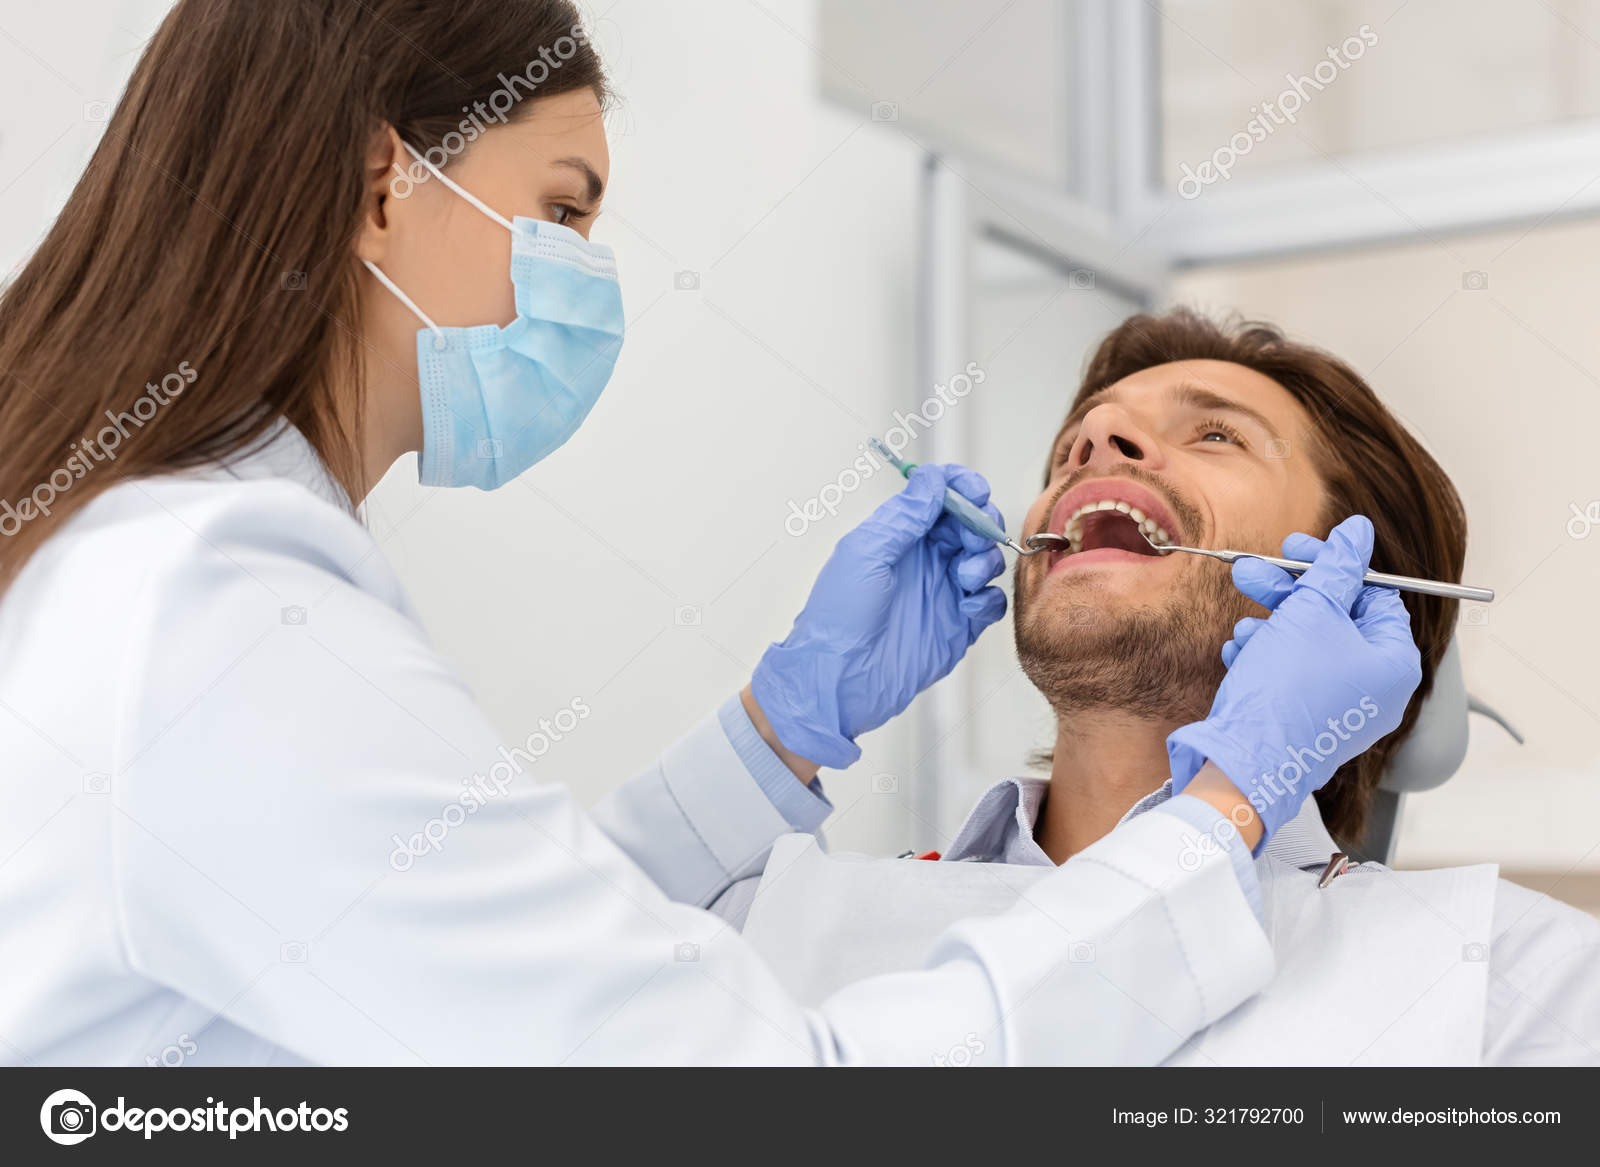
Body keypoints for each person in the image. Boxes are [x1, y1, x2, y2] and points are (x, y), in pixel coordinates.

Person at [0, 1, 1376, 1066]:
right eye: (560, 211)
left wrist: (778, 732)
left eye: (1213, 435)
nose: (1100, 447)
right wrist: (1222, 808)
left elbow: (473, 947)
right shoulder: (223, 607)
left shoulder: (1487, 967)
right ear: (381, 186)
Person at [729, 309, 1600, 1065]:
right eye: (1078, 441)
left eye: (1215, 434)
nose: (1095, 445)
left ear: (1350, 585)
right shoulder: (773, 919)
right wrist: (780, 727)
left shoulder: (1514, 980)